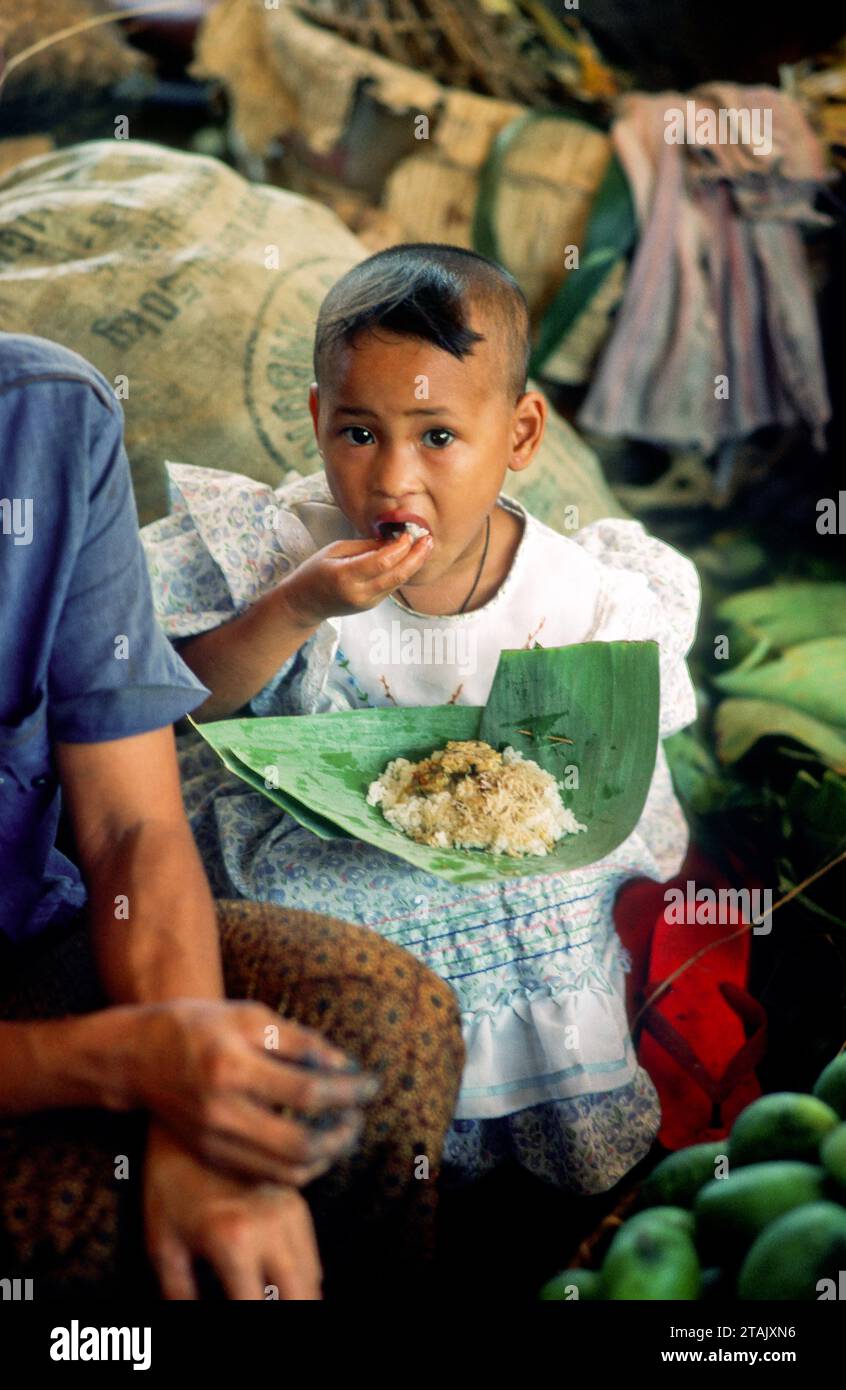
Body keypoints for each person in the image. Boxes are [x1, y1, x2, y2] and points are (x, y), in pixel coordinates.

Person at [141, 243, 702, 1195]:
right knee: (323, 937)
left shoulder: (580, 596)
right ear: (319, 421)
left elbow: (610, 774)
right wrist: (295, 611)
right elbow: (170, 707)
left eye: (438, 436)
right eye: (360, 434)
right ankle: (351, 1167)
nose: (394, 477)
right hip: (313, 851)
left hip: (504, 867)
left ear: (521, 435)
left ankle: (529, 1158)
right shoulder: (277, 554)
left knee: (541, 904)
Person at [0, 331, 465, 1301]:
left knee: (379, 1018)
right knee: (83, 1226)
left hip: (35, 951)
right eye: (359, 432)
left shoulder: (46, 413)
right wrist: (126, 1065)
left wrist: (199, 1084)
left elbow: (130, 824)